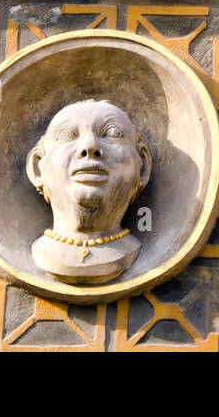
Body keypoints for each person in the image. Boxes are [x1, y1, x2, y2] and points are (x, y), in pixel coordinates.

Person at [27, 99, 151, 283]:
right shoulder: (39, 252)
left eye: (113, 133)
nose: (90, 146)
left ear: (143, 167)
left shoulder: (136, 251)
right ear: (37, 168)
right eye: (67, 134)